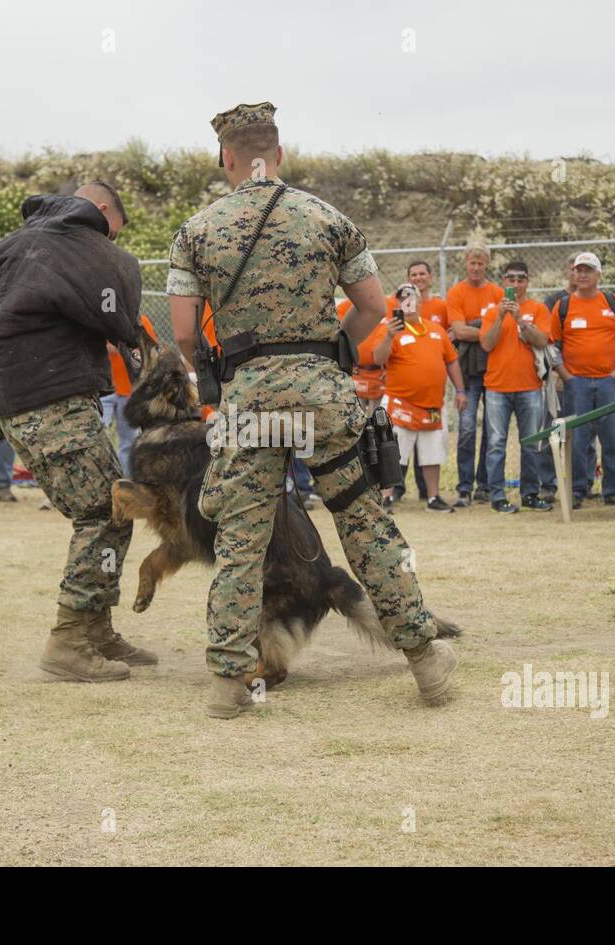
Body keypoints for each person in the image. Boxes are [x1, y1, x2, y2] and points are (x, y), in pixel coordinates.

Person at [167, 101, 456, 718]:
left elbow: (186, 334)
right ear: (281, 153)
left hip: (248, 397)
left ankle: (227, 683)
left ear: (226, 158)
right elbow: (375, 306)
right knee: (362, 522)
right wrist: (331, 350)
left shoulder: (197, 230)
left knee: (242, 536)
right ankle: (425, 663)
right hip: (324, 391)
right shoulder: (327, 216)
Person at [0, 180, 158, 682]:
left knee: (115, 508)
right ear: (101, 211)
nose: (110, 241)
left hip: (26, 401)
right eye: (112, 230)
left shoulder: (3, 251)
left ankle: (96, 629)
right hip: (52, 401)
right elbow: (120, 294)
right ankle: (69, 640)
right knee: (103, 512)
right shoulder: (76, 247)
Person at [373, 282, 467, 512]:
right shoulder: (391, 329)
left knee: (433, 453)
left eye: (412, 297)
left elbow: (451, 360)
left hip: (432, 405)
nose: (408, 302)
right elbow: (377, 358)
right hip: (400, 403)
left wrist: (461, 390)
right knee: (392, 451)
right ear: (397, 303)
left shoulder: (436, 329)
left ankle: (433, 498)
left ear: (420, 301)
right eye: (403, 298)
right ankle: (385, 498)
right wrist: (388, 337)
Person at [553, 252, 615, 508]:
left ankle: (613, 490)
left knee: (612, 438)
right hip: (576, 384)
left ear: (598, 275)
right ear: (573, 274)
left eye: (588, 270)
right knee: (577, 440)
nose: (583, 275)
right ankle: (578, 490)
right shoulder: (563, 306)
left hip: (609, 382)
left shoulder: (612, 302)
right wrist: (566, 376)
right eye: (578, 270)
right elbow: (552, 346)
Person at [479, 261, 558, 513]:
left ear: (527, 281)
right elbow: (487, 345)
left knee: (530, 443)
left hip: (529, 387)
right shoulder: (493, 311)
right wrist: (502, 317)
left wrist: (520, 321)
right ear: (503, 281)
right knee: (496, 444)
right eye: (510, 279)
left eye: (520, 279)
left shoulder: (537, 308)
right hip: (497, 387)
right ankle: (498, 496)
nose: (515, 284)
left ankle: (530, 494)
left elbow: (542, 339)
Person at [445, 244, 499, 506]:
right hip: (467, 372)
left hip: (495, 370)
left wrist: (472, 329)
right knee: (466, 429)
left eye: (481, 263)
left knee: (492, 430)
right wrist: (486, 331)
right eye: (472, 263)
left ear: (487, 265)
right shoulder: (456, 293)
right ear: (465, 263)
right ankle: (464, 487)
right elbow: (457, 330)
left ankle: (485, 486)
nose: (476, 267)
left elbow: (501, 331)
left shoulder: (497, 292)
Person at [104, 313, 158, 474]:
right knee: (96, 437)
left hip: (129, 391)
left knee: (128, 442)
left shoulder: (140, 321)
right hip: (102, 390)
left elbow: (150, 350)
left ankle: (127, 481)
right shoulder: (97, 316)